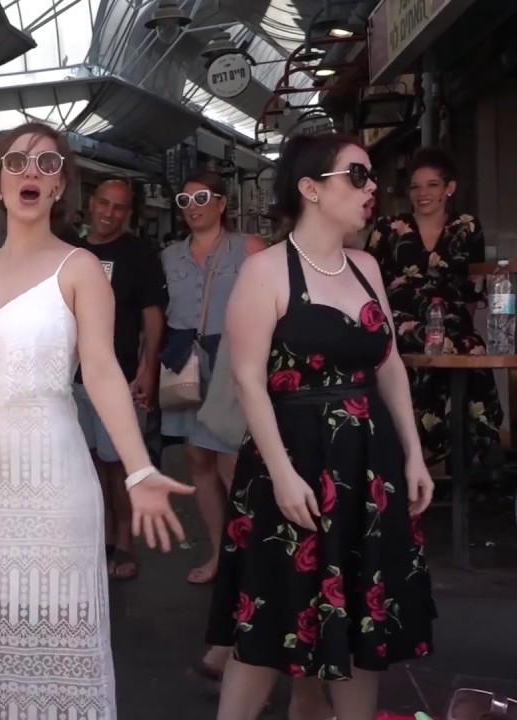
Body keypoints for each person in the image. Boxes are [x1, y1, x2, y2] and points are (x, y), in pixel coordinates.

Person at [0, 121, 192, 718]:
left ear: (61, 190)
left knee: (55, 638)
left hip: (52, 488)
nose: (32, 172)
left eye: (49, 166)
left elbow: (104, 372)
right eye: (19, 162)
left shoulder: (82, 269)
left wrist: (137, 469)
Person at [209, 133, 436, 720]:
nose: (372, 189)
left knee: (365, 619)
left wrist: (412, 454)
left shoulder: (366, 267)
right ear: (312, 189)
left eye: (370, 177)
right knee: (270, 619)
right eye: (356, 176)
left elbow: (388, 366)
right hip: (293, 458)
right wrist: (282, 474)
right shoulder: (265, 271)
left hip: (367, 460)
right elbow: (247, 381)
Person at [160, 171, 268, 587]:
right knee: (197, 459)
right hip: (184, 362)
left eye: (202, 198)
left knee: (234, 462)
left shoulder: (250, 249)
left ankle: (253, 556)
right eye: (185, 201)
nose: (193, 207)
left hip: (232, 361)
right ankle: (221, 554)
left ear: (222, 202)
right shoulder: (170, 256)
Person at [365, 149, 502, 465]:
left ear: (448, 189)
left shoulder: (467, 226)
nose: (423, 194)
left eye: (432, 185)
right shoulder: (388, 228)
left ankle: (478, 446)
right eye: (415, 187)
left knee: (473, 348)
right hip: (399, 318)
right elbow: (368, 283)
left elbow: (469, 289)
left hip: (449, 319)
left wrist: (460, 326)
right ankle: (433, 439)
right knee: (430, 341)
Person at [69, 178, 167, 581]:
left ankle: (125, 541)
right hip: (73, 380)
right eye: (104, 204)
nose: (109, 213)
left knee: (119, 465)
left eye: (119, 208)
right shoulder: (72, 252)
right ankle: (102, 535)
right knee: (88, 464)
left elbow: (152, 315)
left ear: (128, 214)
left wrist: (148, 368)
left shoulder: (139, 254)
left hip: (120, 378)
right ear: (91, 204)